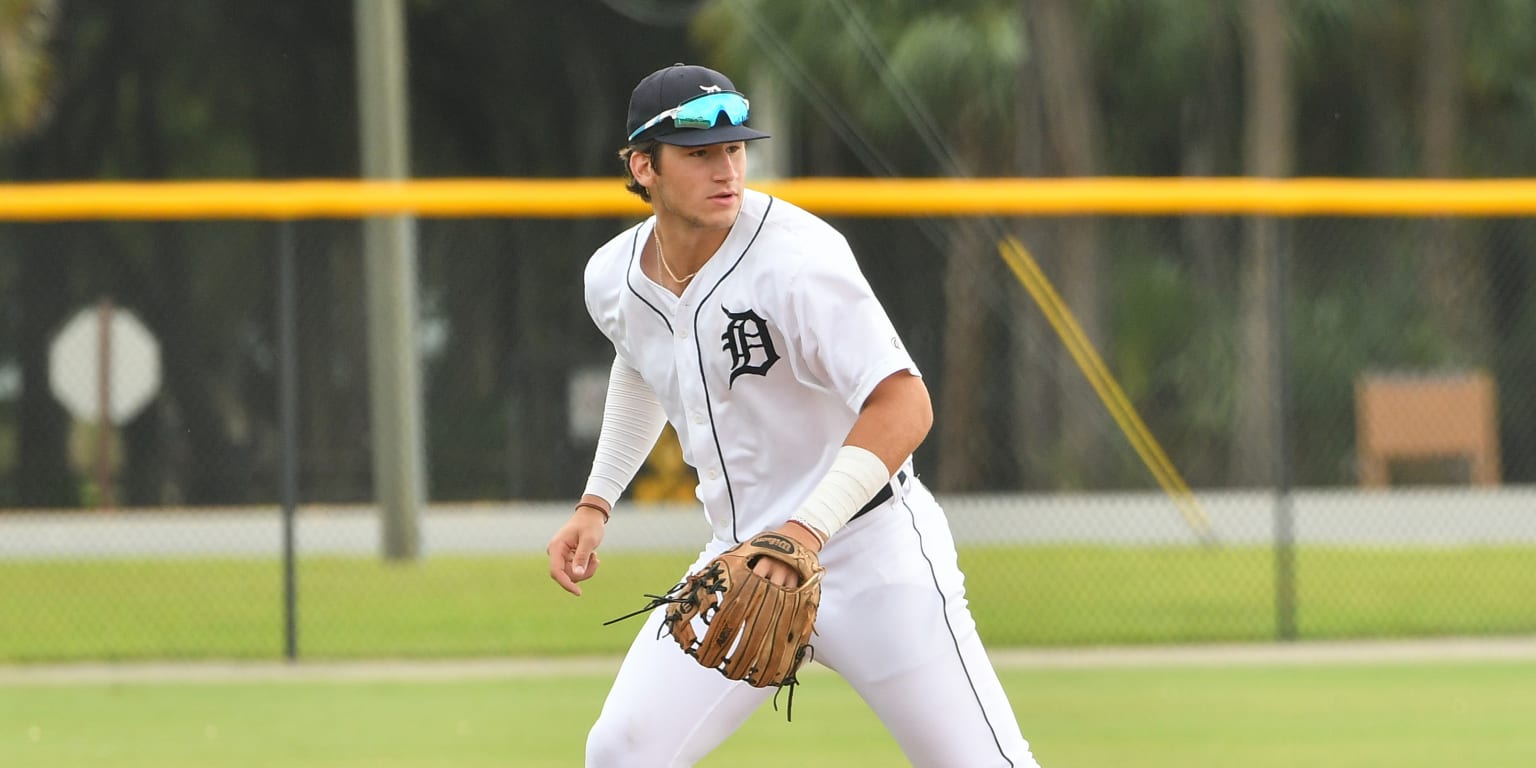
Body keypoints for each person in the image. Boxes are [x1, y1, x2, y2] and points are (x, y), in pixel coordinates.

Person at [545, 62, 1040, 768]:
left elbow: (905, 403)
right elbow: (646, 358)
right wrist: (596, 502)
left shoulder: (799, 258)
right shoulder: (613, 277)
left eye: (734, 149)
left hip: (871, 556)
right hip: (741, 561)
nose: (726, 170)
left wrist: (803, 533)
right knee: (623, 751)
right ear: (642, 166)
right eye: (698, 154)